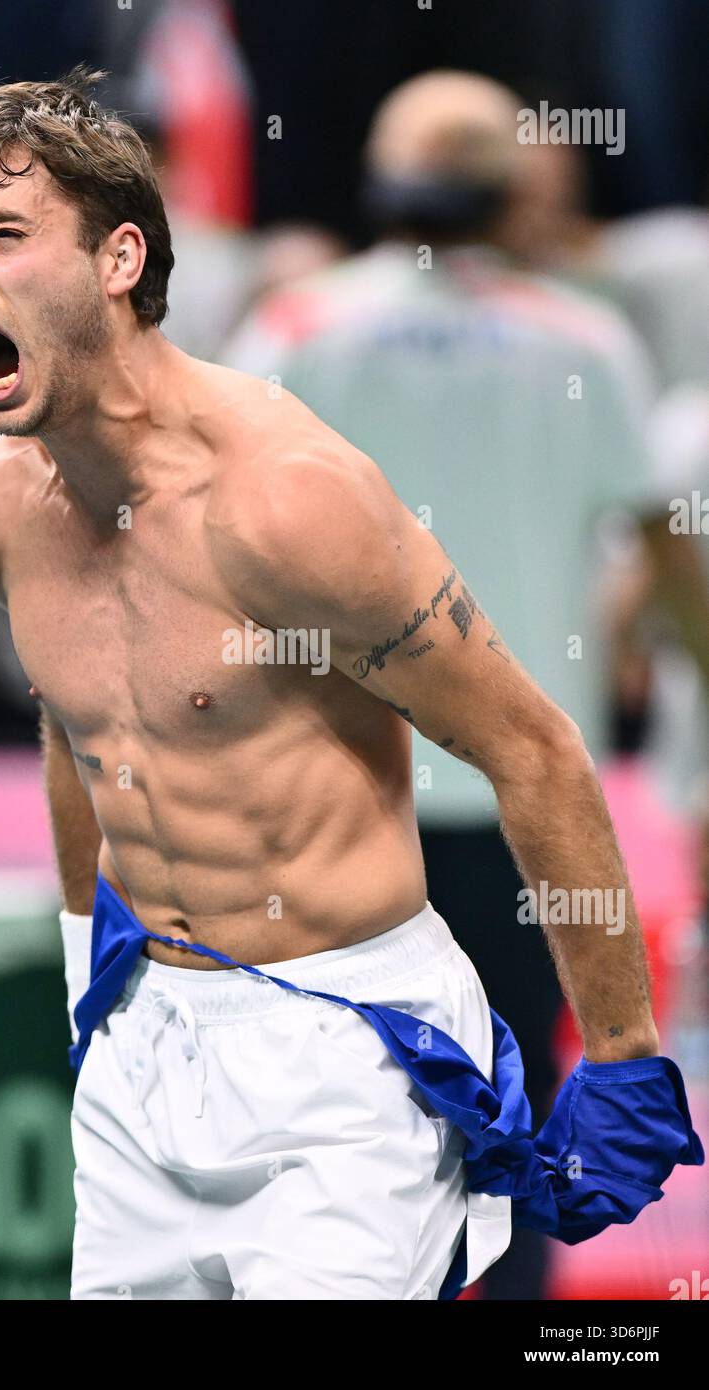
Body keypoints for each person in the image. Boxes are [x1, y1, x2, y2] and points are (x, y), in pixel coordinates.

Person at [0, 67, 671, 1301]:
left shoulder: (286, 500)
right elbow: (74, 719)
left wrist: (622, 1052)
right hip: (143, 1048)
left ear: (118, 258)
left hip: (344, 1058)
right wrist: (77, 958)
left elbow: (532, 747)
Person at [223, 71, 663, 1296]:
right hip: (526, 812)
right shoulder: (583, 344)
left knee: (336, 1124)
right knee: (513, 1120)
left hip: (337, 802)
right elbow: (659, 558)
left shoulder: (294, 334)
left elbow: (222, 561)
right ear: (507, 185)